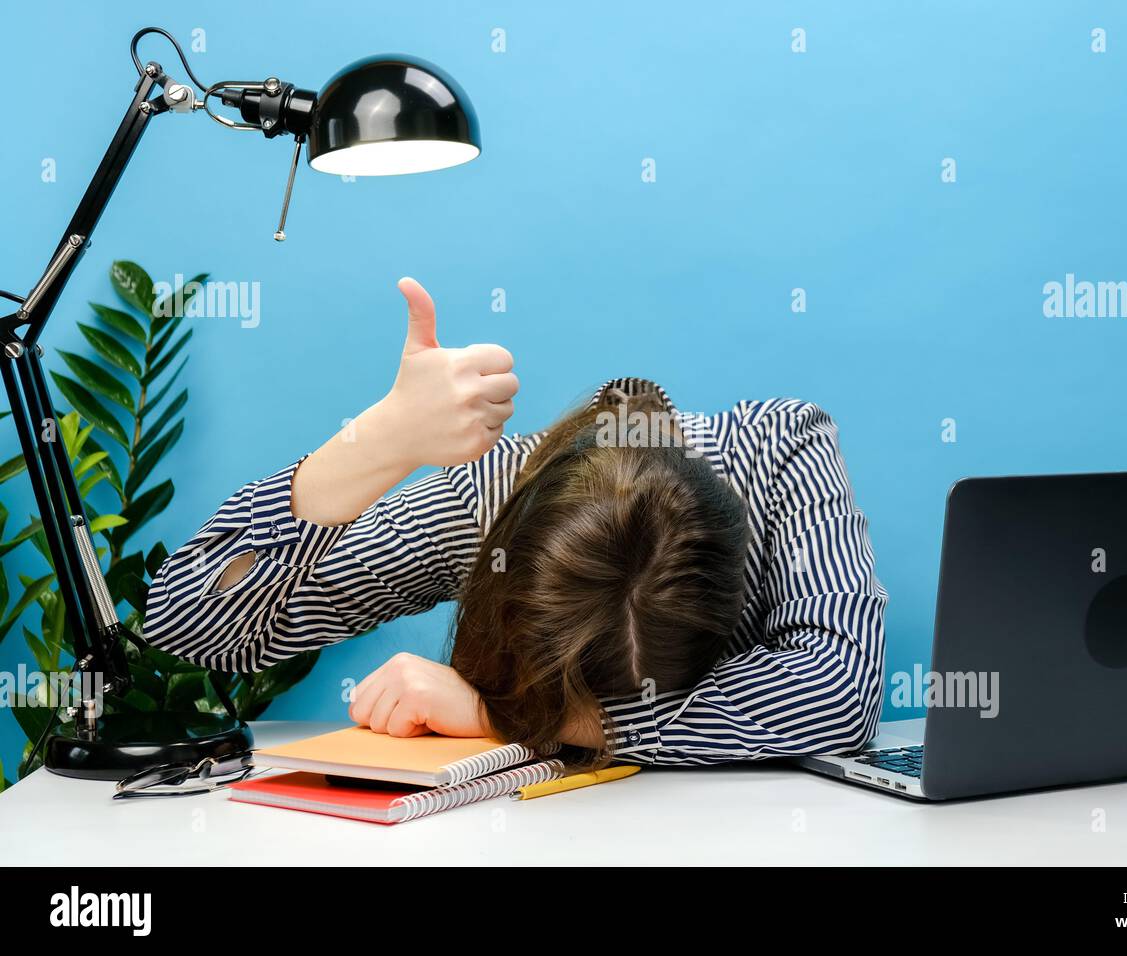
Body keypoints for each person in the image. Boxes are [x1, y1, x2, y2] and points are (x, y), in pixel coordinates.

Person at [143, 278, 888, 766]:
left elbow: (837, 697)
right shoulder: (489, 500)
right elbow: (194, 625)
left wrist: (515, 717)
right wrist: (374, 445)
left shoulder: (783, 451)